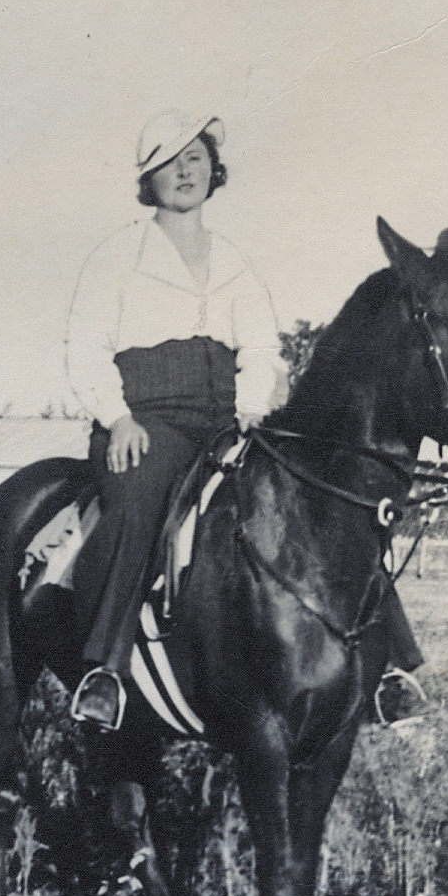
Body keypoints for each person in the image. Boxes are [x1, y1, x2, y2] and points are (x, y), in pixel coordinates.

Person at [65, 110, 285, 729]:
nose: (184, 171)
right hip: (147, 420)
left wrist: (253, 411)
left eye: (195, 157)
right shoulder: (116, 256)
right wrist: (117, 419)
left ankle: (391, 663)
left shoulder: (237, 261)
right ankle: (104, 669)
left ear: (214, 169)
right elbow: (84, 348)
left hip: (226, 420)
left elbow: (262, 349)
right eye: (168, 162)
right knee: (138, 505)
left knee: (310, 496)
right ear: (148, 180)